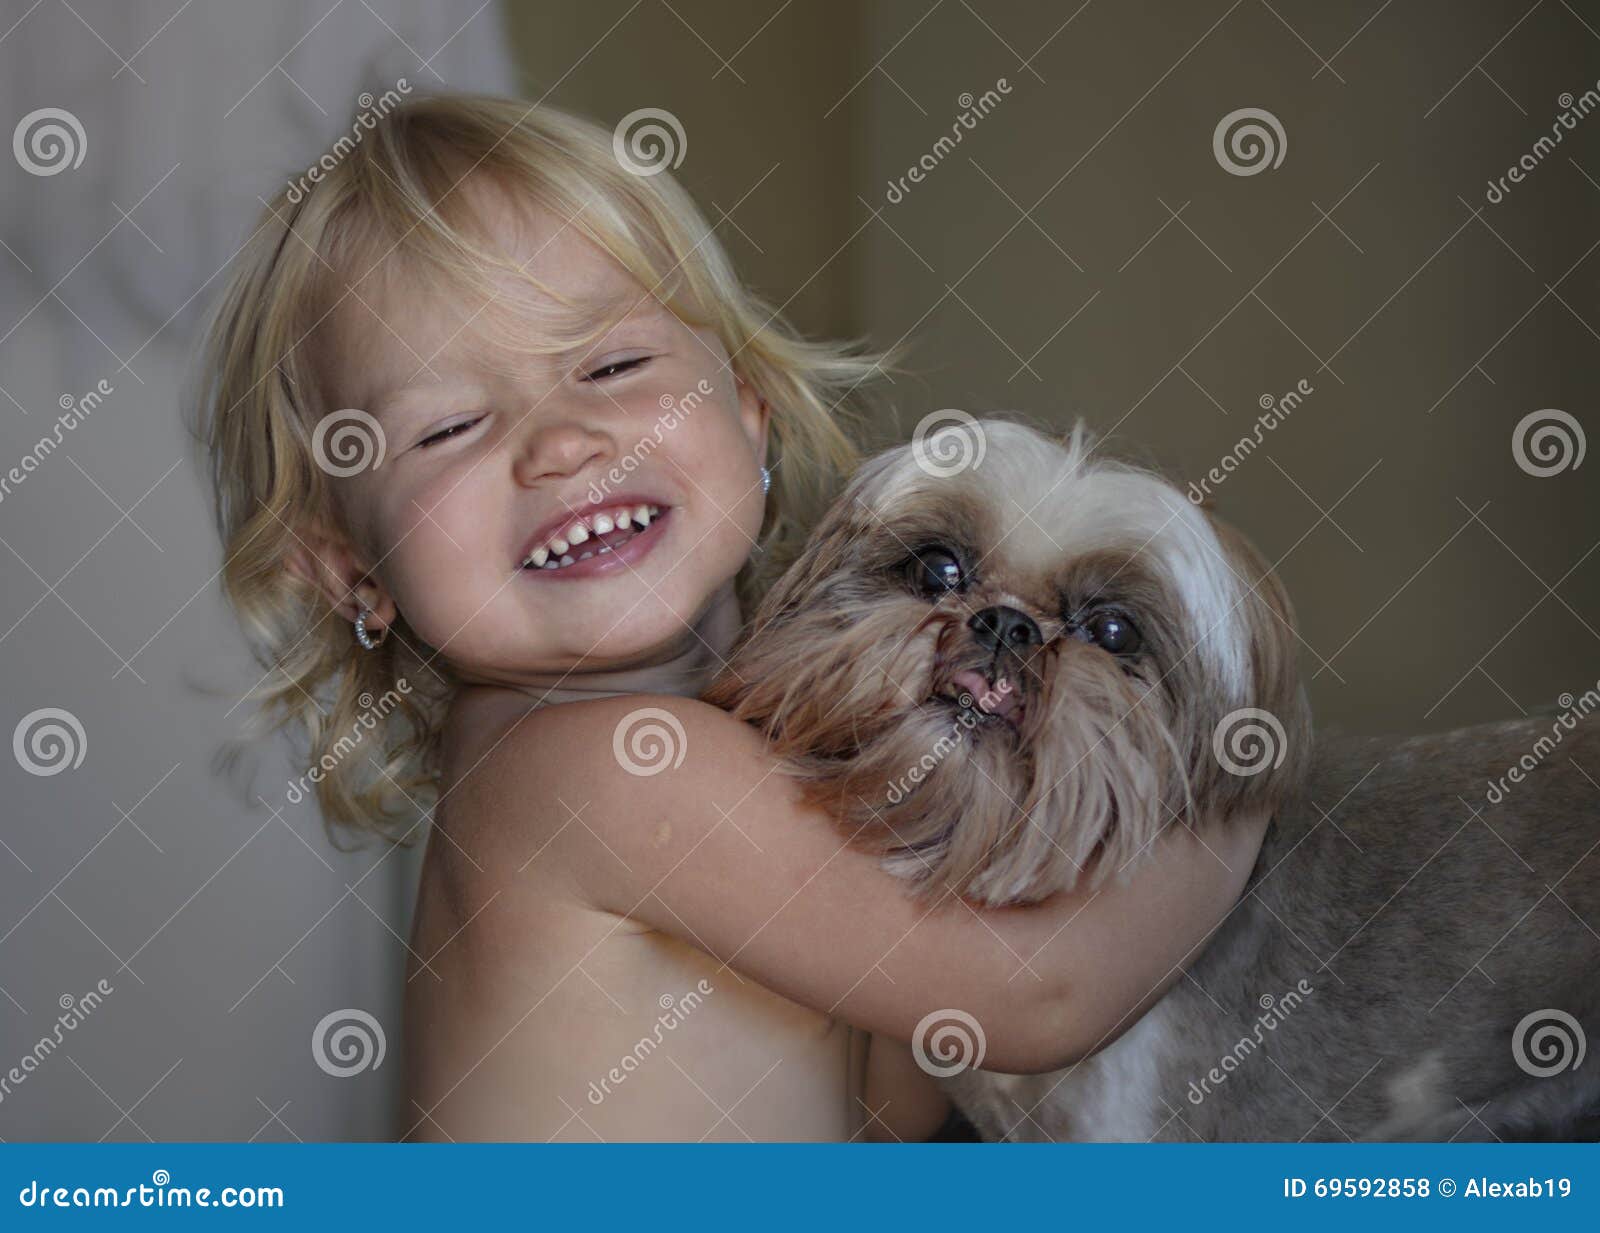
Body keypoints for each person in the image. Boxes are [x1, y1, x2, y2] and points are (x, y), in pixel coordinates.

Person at [196, 93, 1268, 1141]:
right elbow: (1036, 1003)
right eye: (450, 428)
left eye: (612, 367)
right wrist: (1235, 791)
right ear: (350, 574)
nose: (560, 441)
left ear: (747, 413)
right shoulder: (592, 769)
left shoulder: (729, 761)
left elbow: (890, 1103)